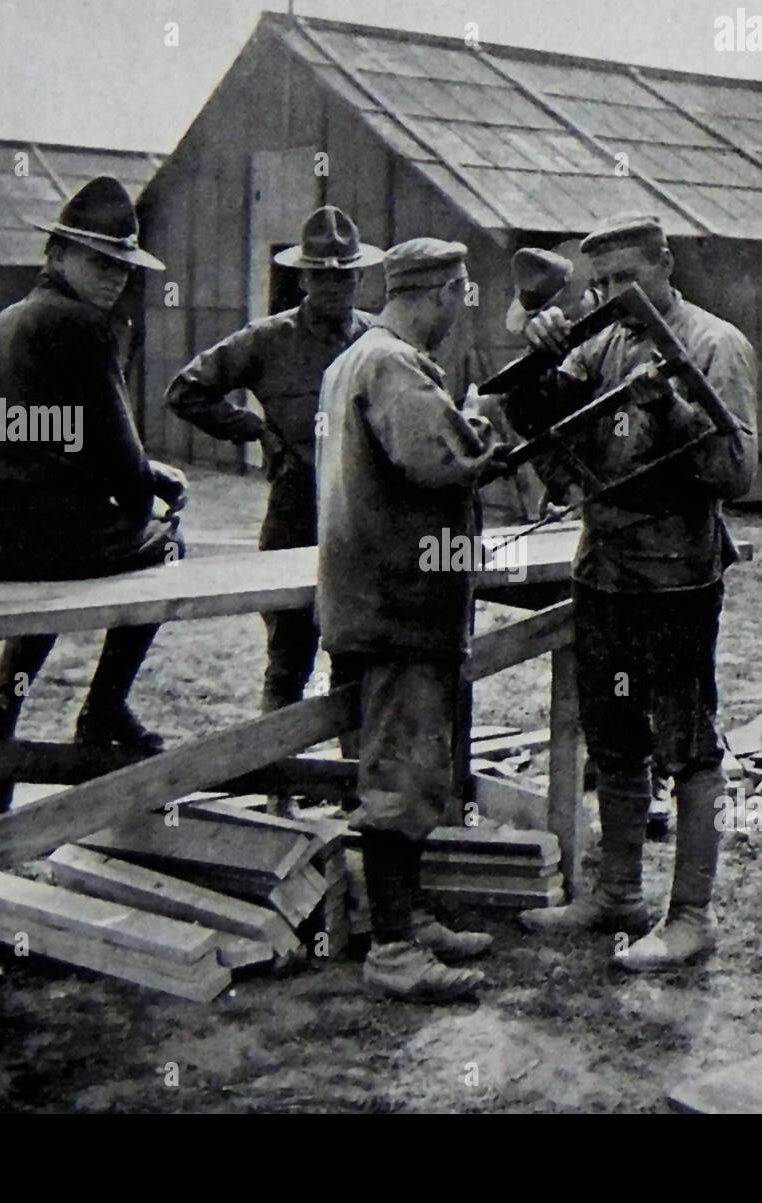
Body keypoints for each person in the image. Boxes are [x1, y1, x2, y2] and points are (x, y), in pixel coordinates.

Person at [508, 214, 758, 972]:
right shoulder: (605, 340)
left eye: (628, 279)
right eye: (604, 283)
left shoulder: (716, 345)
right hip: (605, 565)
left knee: (685, 742)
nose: (616, 295)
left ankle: (691, 916)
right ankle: (617, 894)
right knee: (613, 732)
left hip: (677, 572)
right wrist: (537, 358)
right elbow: (545, 425)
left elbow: (736, 473)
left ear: (666, 265)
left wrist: (674, 406)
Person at [0, 176, 187, 811]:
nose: (113, 277)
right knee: (167, 547)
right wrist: (153, 492)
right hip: (44, 537)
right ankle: (103, 711)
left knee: (68, 562)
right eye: (98, 261)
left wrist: (137, 477)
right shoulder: (83, 326)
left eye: (122, 266)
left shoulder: (4, 321)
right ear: (54, 252)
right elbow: (123, 464)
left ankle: (6, 699)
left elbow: (49, 446)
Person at [317, 238, 503, 1001]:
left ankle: (408, 917)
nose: (460, 312)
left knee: (407, 767)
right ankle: (393, 950)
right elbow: (440, 459)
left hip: (370, 597)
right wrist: (486, 425)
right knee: (398, 776)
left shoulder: (351, 359)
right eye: (460, 295)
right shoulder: (393, 364)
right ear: (442, 292)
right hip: (399, 605)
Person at [165, 206, 382, 716]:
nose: (335, 287)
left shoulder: (379, 340)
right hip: (296, 507)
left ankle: (352, 784)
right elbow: (186, 391)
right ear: (304, 277)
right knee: (288, 654)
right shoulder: (267, 339)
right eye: (323, 277)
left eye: (345, 277)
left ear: (359, 277)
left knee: (357, 653)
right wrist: (255, 429)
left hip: (363, 512)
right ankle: (277, 785)